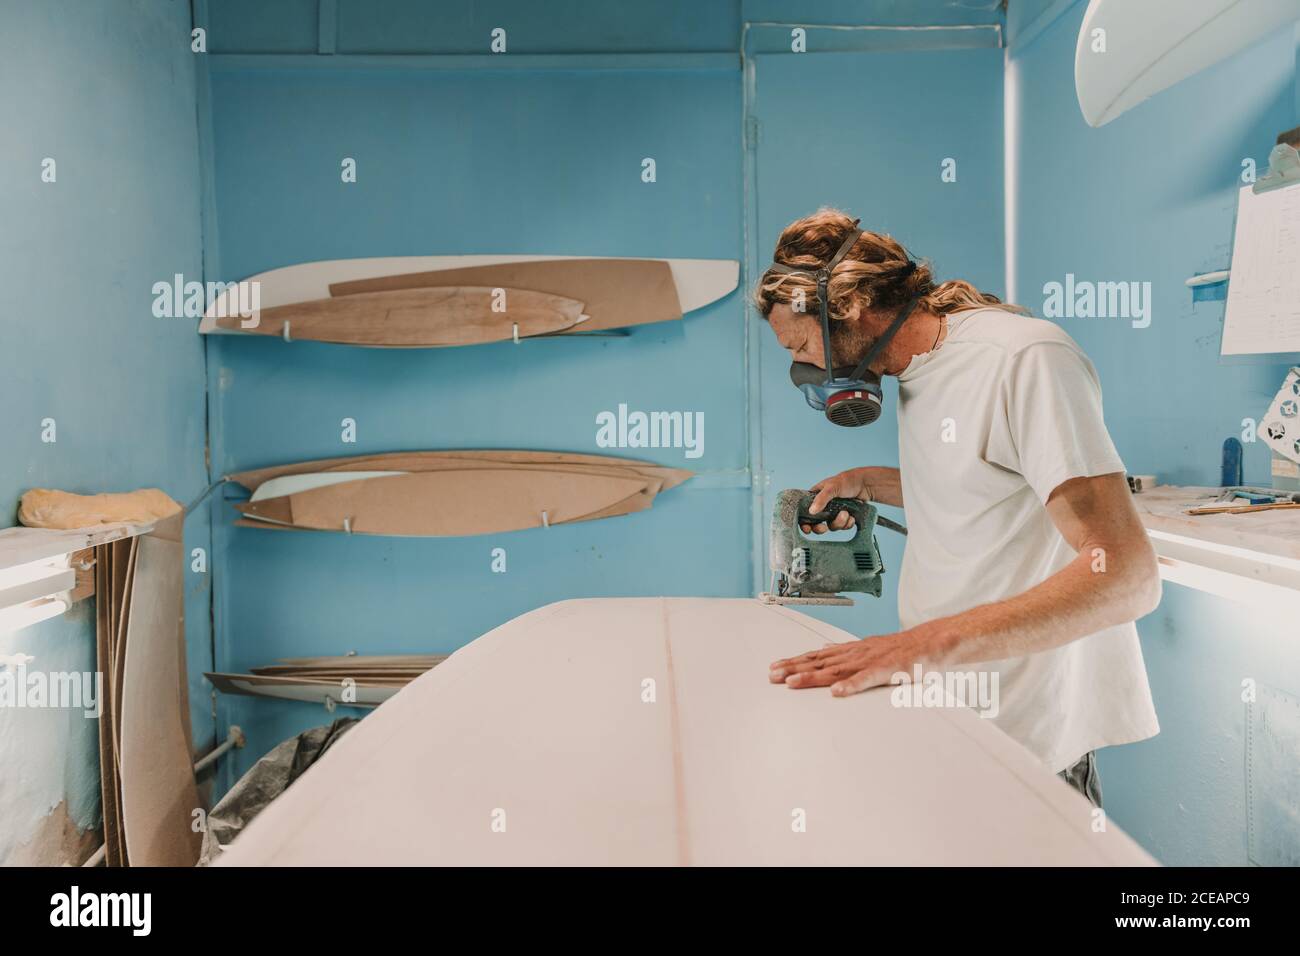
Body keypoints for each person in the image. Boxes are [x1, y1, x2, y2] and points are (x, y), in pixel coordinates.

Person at [753, 208, 1160, 806]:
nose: (805, 369)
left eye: (803, 346)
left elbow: (1126, 573)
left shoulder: (1022, 358)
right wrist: (870, 482)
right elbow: (992, 485)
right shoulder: (918, 366)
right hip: (953, 710)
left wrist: (917, 645)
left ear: (849, 308)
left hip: (1026, 739)